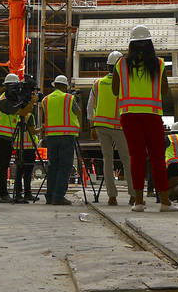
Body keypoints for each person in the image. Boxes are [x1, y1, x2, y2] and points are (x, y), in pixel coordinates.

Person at [114, 25, 178, 213]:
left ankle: (139, 202)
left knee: (137, 157)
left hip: (129, 116)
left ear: (131, 44)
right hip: (152, 115)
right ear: (150, 43)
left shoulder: (121, 64)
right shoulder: (158, 64)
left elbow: (115, 90)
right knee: (158, 157)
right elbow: (164, 91)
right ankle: (165, 202)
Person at [88, 51, 132, 206]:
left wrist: (92, 126)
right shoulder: (125, 84)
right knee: (127, 160)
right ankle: (133, 194)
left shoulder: (97, 83)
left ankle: (112, 196)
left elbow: (90, 107)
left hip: (101, 126)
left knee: (108, 160)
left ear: (107, 66)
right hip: (119, 127)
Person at [41, 75, 81, 206]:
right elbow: (78, 112)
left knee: (53, 166)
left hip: (51, 137)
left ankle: (50, 195)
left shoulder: (45, 100)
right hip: (67, 135)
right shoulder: (69, 98)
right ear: (65, 86)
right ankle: (58, 196)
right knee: (65, 167)